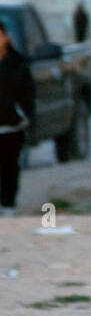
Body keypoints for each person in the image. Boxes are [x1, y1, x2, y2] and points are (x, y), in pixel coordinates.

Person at [0, 21, 35, 215]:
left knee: (9, 167)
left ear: (6, 37)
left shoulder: (18, 63)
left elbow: (28, 95)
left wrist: (24, 117)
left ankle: (8, 205)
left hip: (11, 127)